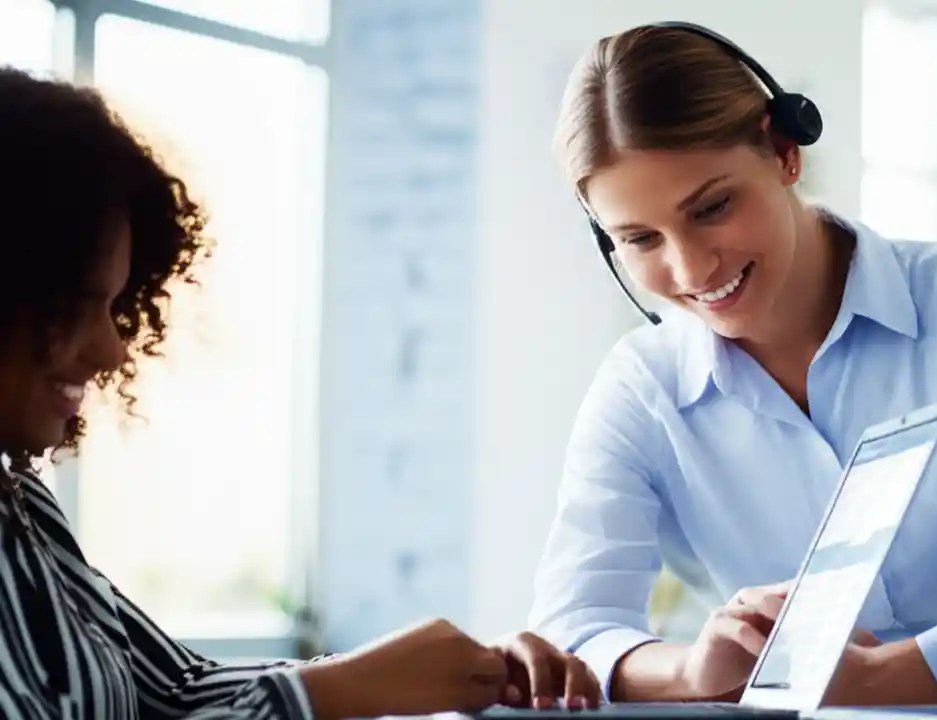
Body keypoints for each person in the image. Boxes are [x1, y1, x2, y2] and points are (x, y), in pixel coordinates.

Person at [0, 66, 601, 719]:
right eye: (79, 306)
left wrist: (433, 672)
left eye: (117, 308)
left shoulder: (22, 508)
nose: (111, 349)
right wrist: (341, 689)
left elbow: (174, 691)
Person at [528, 23, 937, 707]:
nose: (692, 267)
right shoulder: (643, 388)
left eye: (713, 207)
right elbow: (572, 630)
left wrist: (869, 679)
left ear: (785, 152)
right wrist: (693, 669)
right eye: (639, 239)